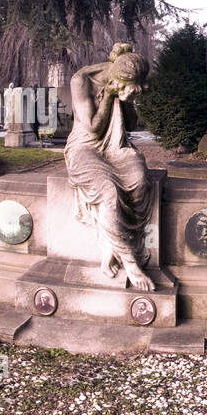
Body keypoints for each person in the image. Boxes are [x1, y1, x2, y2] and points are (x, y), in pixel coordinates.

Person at [64, 42, 157, 291]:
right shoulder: (81, 80)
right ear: (118, 82)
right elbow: (93, 128)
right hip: (85, 147)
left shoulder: (124, 76)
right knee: (108, 191)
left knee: (140, 181)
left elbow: (131, 123)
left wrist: (126, 100)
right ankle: (130, 263)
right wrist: (110, 95)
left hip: (116, 146)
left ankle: (110, 242)